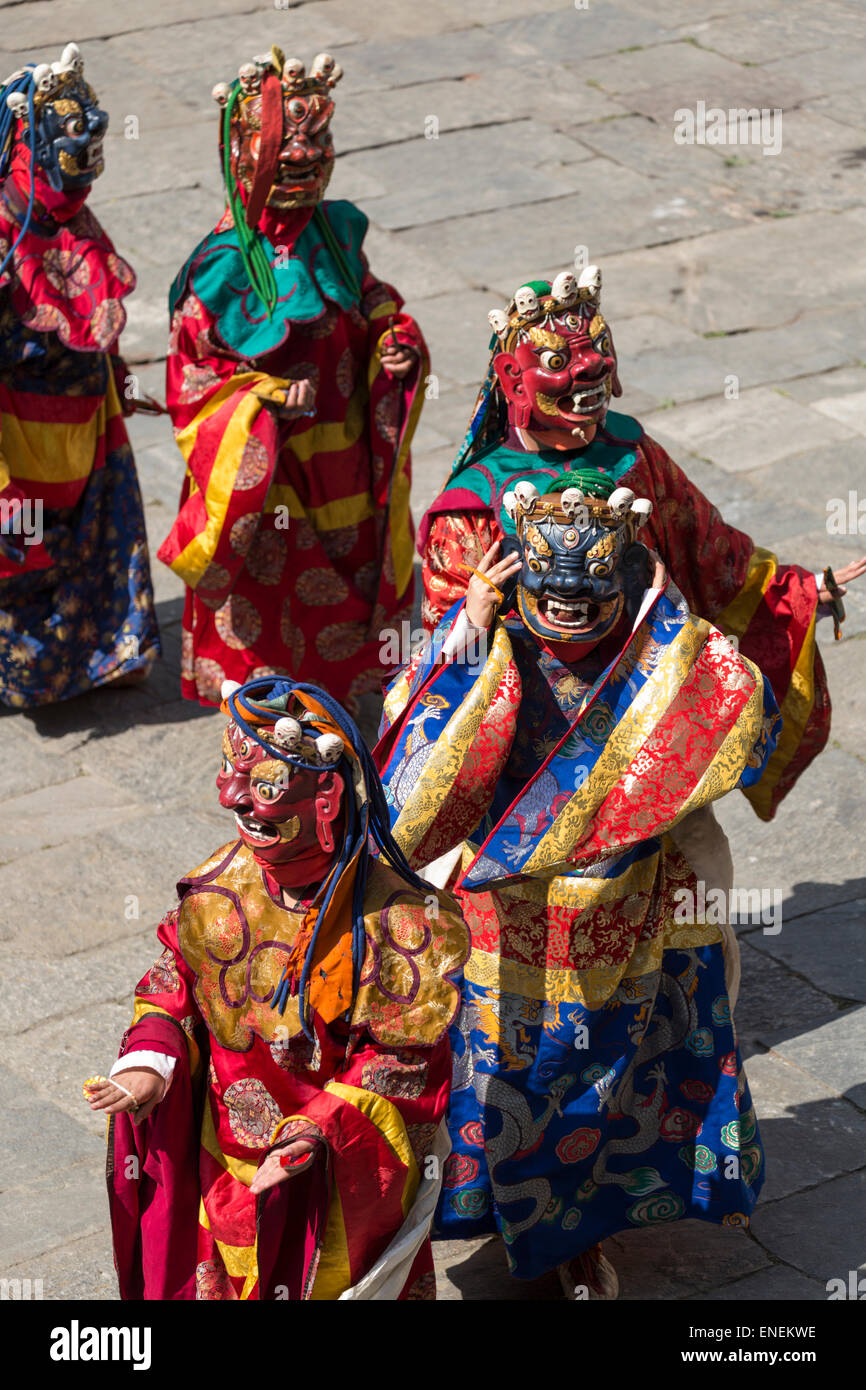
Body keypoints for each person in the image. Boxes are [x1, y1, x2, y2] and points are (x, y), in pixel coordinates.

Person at [376, 467, 780, 1297]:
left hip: (622, 911)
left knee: (613, 1078)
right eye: (549, 587)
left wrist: (671, 622)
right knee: (509, 1077)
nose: (567, 606)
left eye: (589, 588)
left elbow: (745, 710)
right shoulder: (491, 643)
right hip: (505, 910)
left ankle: (583, 1240)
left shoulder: (654, 651)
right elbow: (409, 749)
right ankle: (518, 1226)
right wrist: (468, 628)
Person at [419, 268, 866, 821]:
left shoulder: (631, 455)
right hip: (532, 748)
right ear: (513, 379)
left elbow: (712, 554)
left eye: (599, 350)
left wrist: (796, 594)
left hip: (647, 720)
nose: (593, 369)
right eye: (558, 362)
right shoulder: (473, 504)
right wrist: (476, 615)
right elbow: (442, 652)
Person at [85, 676, 468, 1300]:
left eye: (264, 798)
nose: (239, 810)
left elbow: (405, 1062)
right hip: (225, 1163)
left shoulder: (401, 923)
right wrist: (151, 1060)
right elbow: (172, 982)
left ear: (326, 799)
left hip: (329, 1175)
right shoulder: (220, 885)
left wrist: (314, 1132)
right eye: (234, 793)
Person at [159, 47, 427, 716]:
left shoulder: (335, 235)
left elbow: (372, 299)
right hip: (272, 471)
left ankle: (351, 690)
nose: (305, 162)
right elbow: (194, 381)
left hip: (346, 456)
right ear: (246, 156)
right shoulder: (218, 268)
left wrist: (396, 338)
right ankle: (268, 708)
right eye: (286, 150)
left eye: (317, 146)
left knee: (355, 573)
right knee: (272, 598)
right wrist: (261, 399)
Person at [0, 44, 160, 705]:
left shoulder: (75, 221)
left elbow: (90, 310)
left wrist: (114, 370)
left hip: (87, 424)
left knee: (93, 547)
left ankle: (94, 660)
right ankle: (25, 674)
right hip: (17, 435)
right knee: (23, 555)